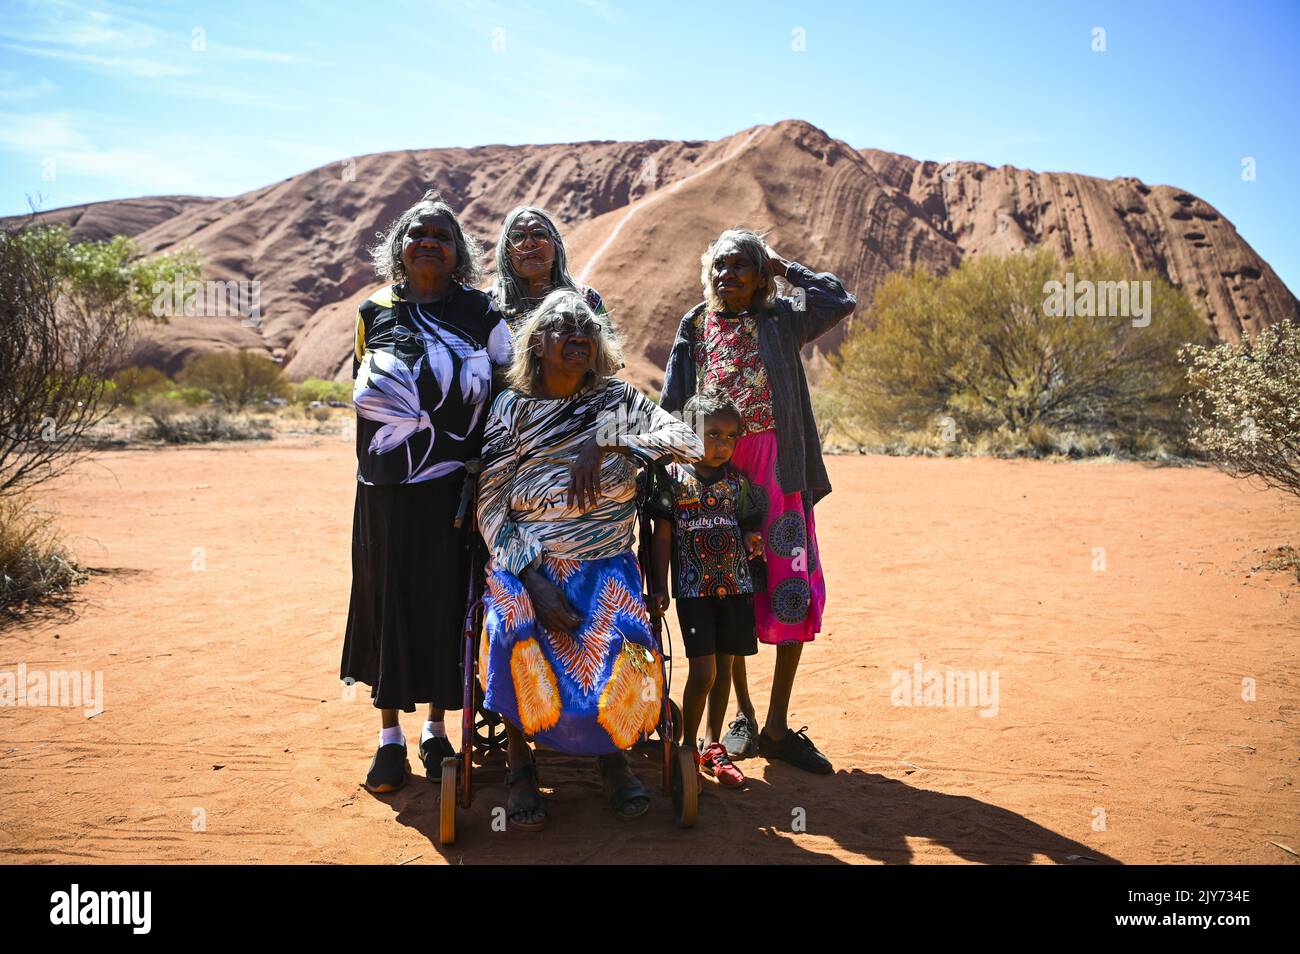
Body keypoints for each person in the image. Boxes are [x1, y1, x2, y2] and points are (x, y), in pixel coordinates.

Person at [476, 289, 703, 829]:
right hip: (528, 558)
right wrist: (533, 578)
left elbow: (688, 441)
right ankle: (519, 766)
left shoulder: (617, 402)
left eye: (587, 328)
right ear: (538, 345)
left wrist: (606, 441)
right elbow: (489, 505)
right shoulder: (511, 408)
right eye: (564, 328)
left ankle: (612, 760)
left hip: (606, 558)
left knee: (620, 641)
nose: (579, 336)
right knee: (514, 632)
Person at [660, 228, 856, 775]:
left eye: (742, 265)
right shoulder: (695, 325)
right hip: (716, 470)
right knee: (730, 584)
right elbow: (673, 403)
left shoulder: (782, 319)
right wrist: (665, 468)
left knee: (789, 583)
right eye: (720, 265)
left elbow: (838, 299)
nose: (728, 275)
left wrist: (782, 263)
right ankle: (741, 715)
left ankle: (776, 723)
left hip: (778, 469)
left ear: (760, 271)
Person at [341, 191, 512, 794]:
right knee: (387, 599)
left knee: (449, 602)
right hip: (384, 488)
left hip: (457, 489)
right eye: (417, 233)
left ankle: (437, 729)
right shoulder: (374, 310)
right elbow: (365, 390)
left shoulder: (481, 313)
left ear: (457, 249)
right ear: (400, 247)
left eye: (441, 233)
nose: (429, 242)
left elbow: (510, 390)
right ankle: (389, 740)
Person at [646, 389, 763, 790]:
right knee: (703, 671)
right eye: (713, 434)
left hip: (735, 586)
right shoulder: (670, 479)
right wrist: (657, 586)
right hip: (693, 591)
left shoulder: (738, 483)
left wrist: (752, 538)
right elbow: (660, 537)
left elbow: (749, 523)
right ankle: (685, 748)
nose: (723, 445)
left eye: (731, 437)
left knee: (726, 666)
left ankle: (714, 745)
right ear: (690, 433)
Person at [490, 206, 614, 333]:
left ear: (556, 246)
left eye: (539, 234)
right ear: (506, 252)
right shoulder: (487, 304)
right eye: (518, 237)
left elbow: (609, 349)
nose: (529, 243)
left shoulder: (588, 299)